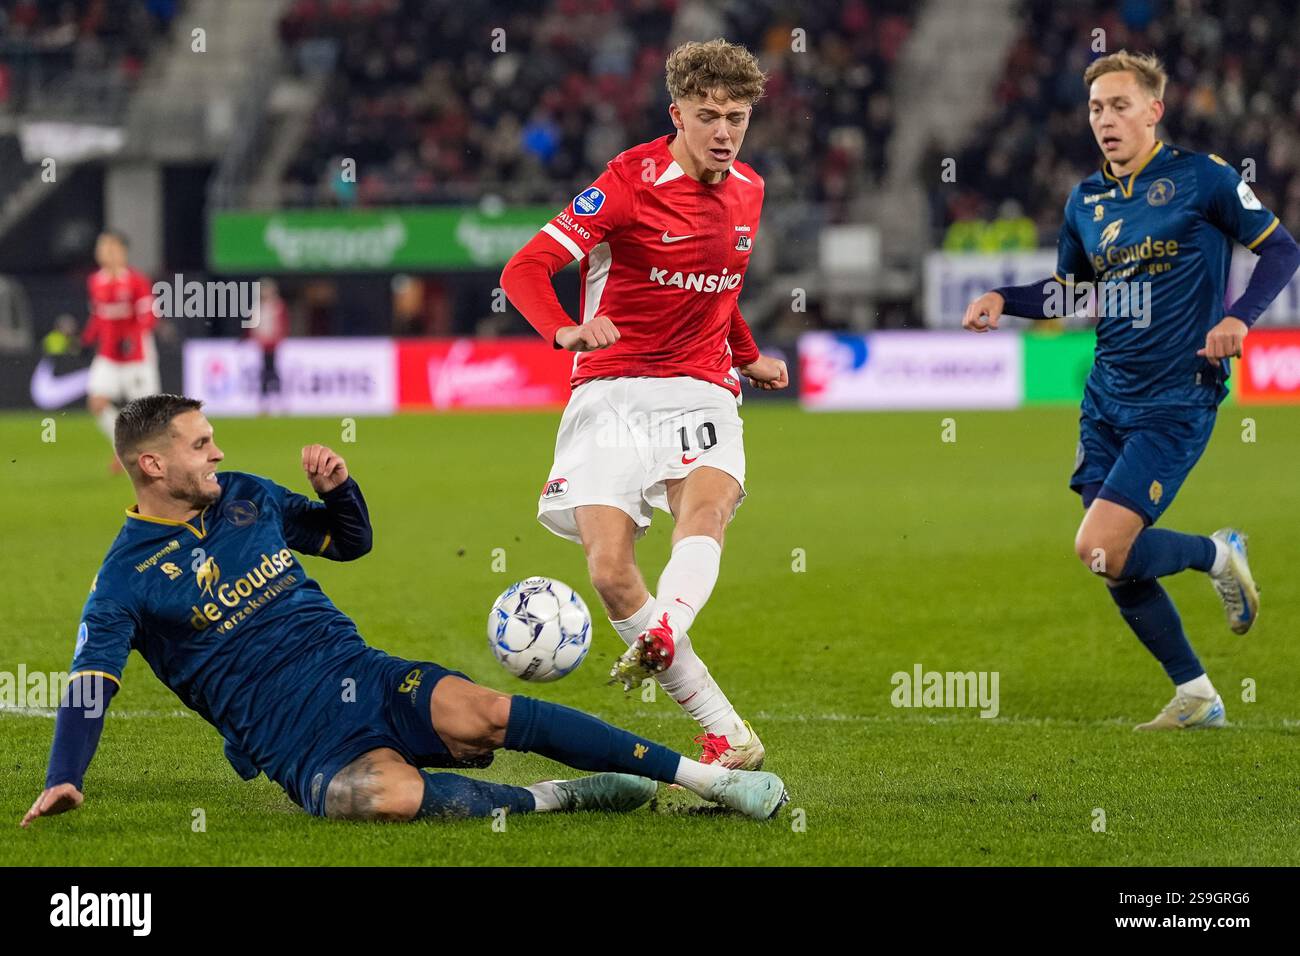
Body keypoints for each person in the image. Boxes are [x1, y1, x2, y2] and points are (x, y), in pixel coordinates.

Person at [21, 394, 788, 826]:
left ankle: (708, 780)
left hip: (363, 673)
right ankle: (552, 798)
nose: (218, 453)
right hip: (299, 743)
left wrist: (338, 493)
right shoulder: (123, 580)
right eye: (201, 444)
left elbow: (347, 543)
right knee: (384, 797)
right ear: (153, 466)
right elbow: (92, 684)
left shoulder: (248, 496)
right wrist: (64, 775)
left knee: (484, 710)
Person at [962, 51, 1300, 729]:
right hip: (1106, 399)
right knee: (1109, 563)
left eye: (1120, 106)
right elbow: (1072, 290)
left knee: (1102, 545)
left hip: (1176, 398)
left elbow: (1283, 250)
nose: (1106, 120)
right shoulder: (1084, 200)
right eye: (1095, 109)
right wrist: (1005, 296)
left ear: (1155, 110)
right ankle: (1197, 694)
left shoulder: (1203, 179)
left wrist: (1238, 318)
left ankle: (1215, 553)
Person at [501, 39, 788, 770]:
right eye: (708, 116)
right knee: (607, 570)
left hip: (701, 385)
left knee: (704, 511)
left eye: (737, 117)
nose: (724, 131)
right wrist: (565, 328)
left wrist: (747, 354)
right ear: (677, 115)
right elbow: (526, 267)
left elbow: (718, 289)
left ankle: (679, 656)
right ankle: (732, 731)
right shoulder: (628, 181)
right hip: (610, 388)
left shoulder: (750, 190)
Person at [81, 231, 159, 473]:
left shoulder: (137, 281)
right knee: (96, 403)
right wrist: (85, 339)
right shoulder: (95, 281)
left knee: (146, 417)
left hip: (137, 356)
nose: (103, 251)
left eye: (108, 247)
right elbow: (98, 316)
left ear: (121, 252)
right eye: (101, 246)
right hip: (108, 355)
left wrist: (131, 339)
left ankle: (156, 458)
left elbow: (148, 317)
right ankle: (123, 447)